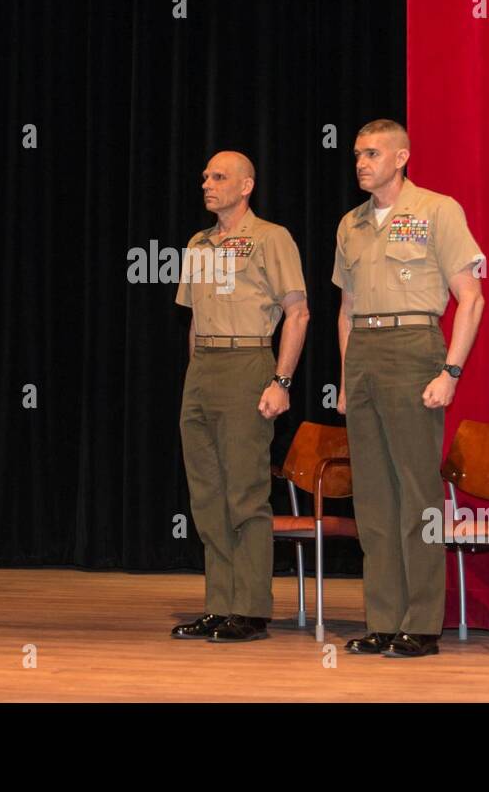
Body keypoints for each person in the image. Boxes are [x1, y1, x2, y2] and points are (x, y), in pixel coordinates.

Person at [333, 119, 485, 659]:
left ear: (401, 157)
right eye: (356, 154)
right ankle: (383, 619)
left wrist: (450, 371)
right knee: (372, 496)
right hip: (366, 354)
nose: (361, 163)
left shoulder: (437, 210)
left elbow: (472, 297)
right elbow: (346, 309)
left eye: (372, 153)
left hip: (415, 345)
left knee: (416, 491)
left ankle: (420, 623)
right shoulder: (350, 225)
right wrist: (348, 376)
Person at [172, 151, 309, 643]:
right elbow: (193, 318)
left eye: (219, 176)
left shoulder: (272, 238)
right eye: (205, 175)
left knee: (244, 494)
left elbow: (298, 314)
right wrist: (194, 376)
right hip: (204, 367)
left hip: (249, 362)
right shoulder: (198, 243)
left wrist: (282, 381)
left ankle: (250, 609)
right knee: (206, 495)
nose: (207, 183)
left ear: (246, 186)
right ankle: (219, 603)